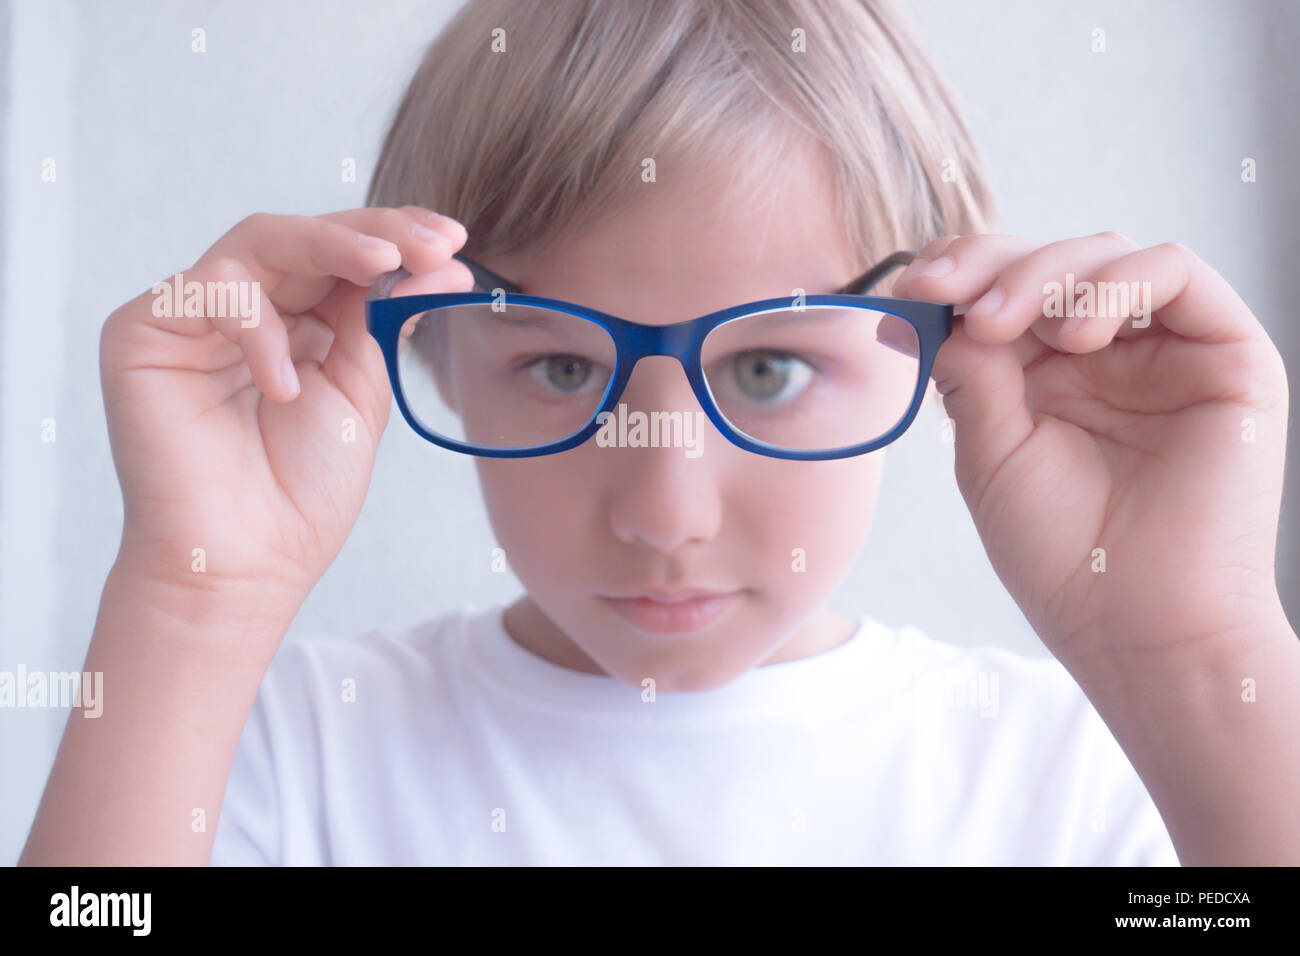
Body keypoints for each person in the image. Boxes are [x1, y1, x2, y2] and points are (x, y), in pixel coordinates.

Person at [20, 0, 1297, 866]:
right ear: (425, 348)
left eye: (770, 364)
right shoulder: (284, 746)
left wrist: (1193, 647)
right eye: (566, 362)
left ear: (943, 347)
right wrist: (191, 609)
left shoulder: (1083, 775)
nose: (665, 512)